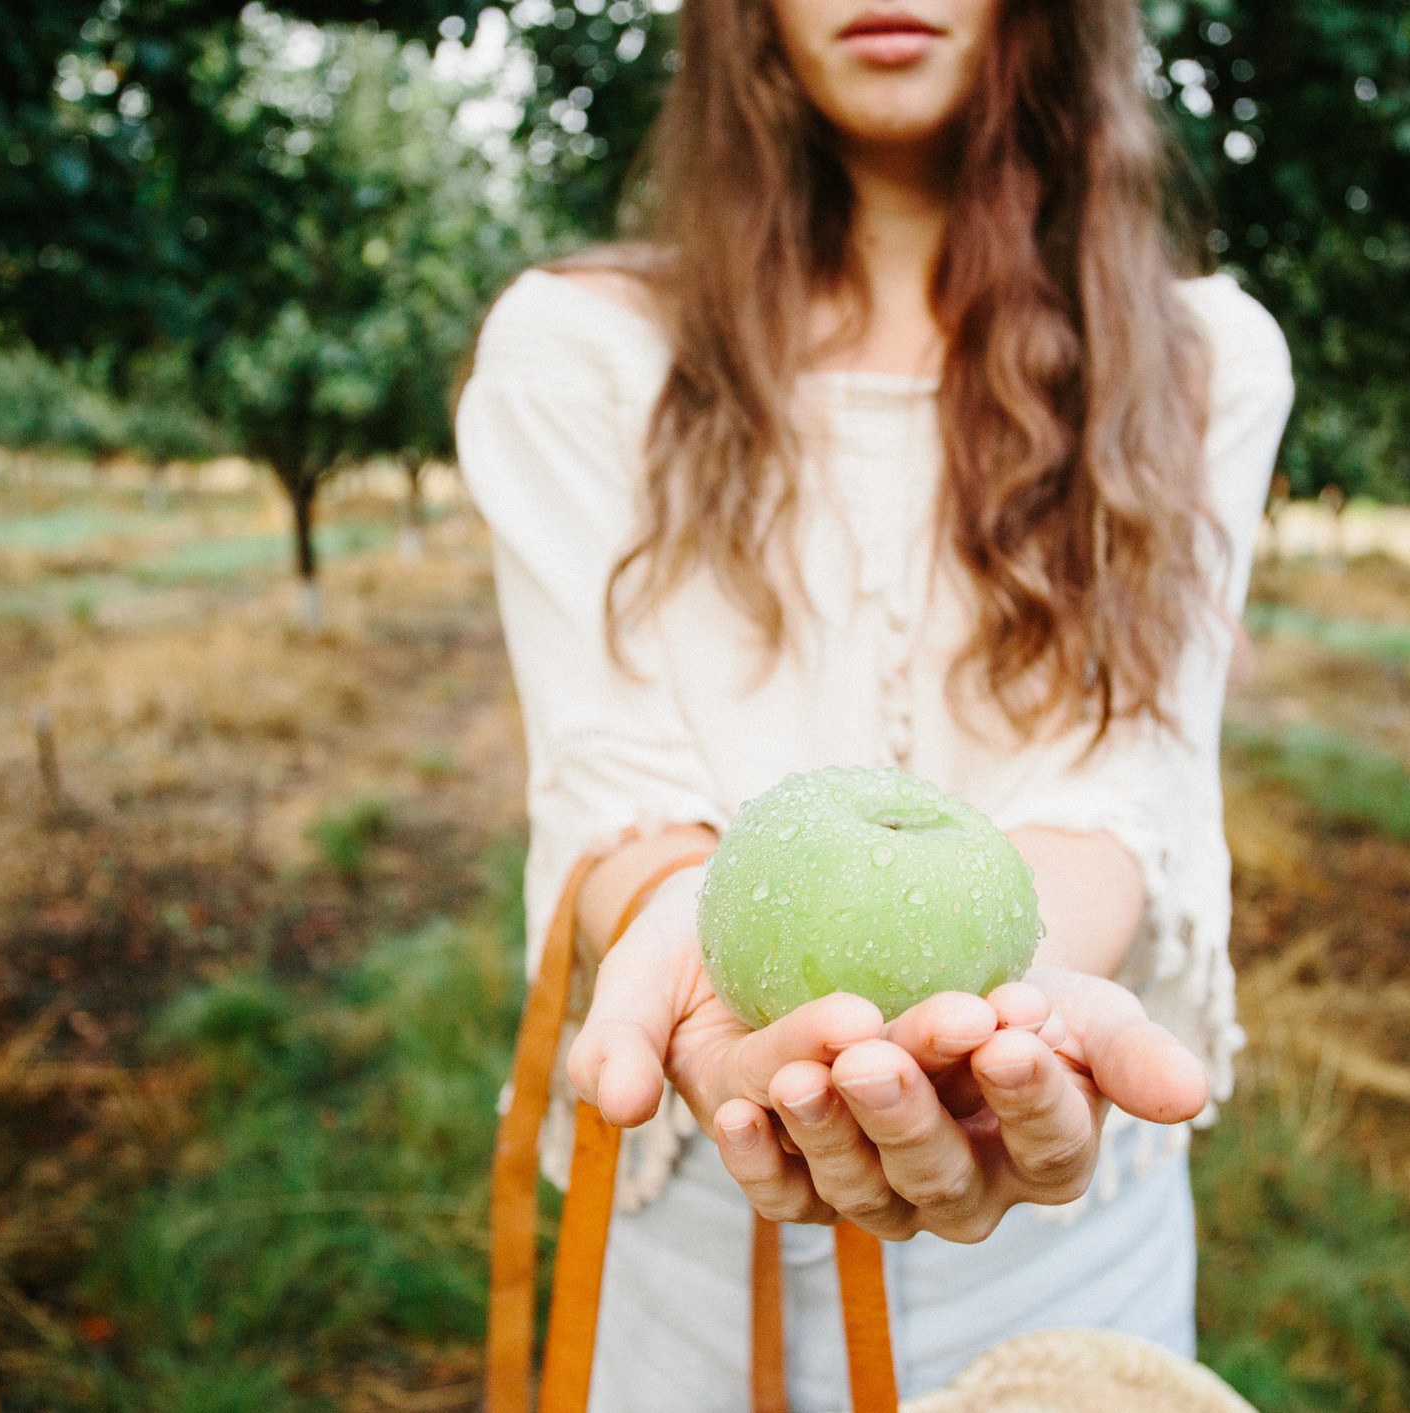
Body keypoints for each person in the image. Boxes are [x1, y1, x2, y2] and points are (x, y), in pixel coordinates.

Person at [454, 0, 1293, 1405]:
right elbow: (612, 778)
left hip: (1060, 1203)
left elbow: (1124, 786)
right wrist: (688, 913)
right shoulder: (578, 352)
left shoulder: (1202, 360)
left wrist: (992, 1025)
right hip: (708, 1208)